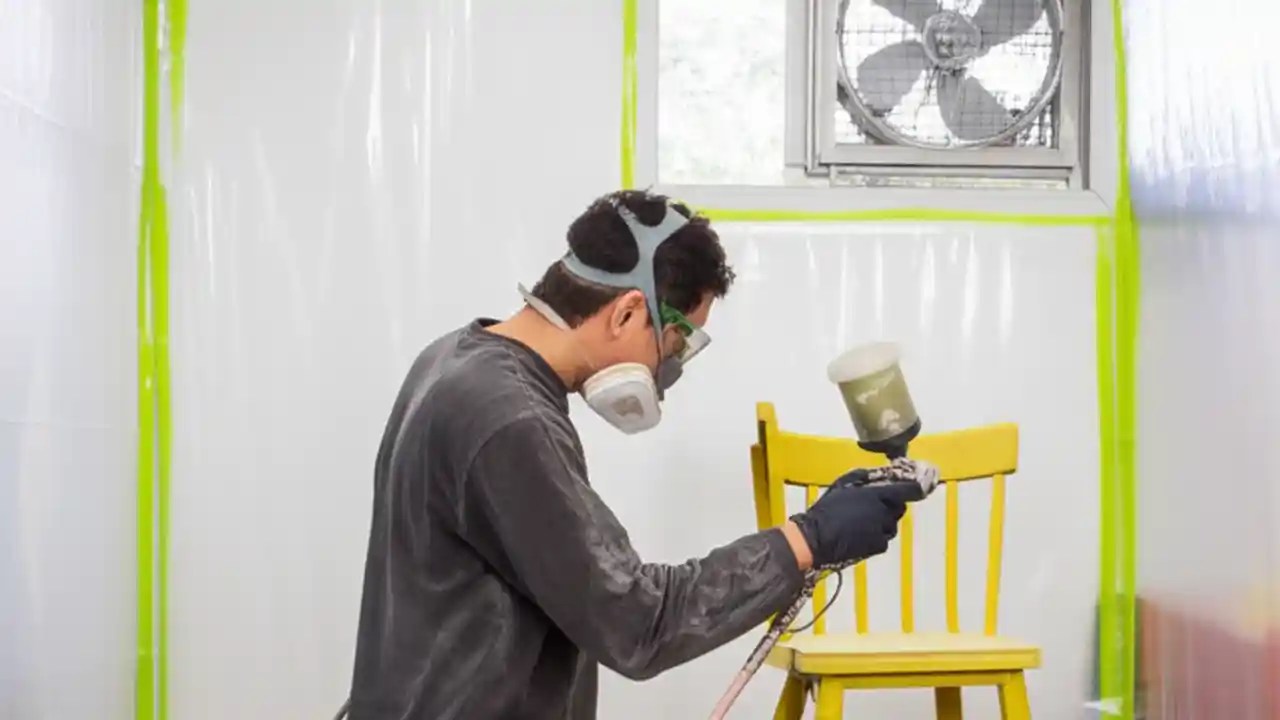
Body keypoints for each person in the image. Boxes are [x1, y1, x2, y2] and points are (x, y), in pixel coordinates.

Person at [345, 190, 927, 719]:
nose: (667, 371)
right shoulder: (510, 418)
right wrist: (810, 539)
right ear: (626, 312)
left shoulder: (454, 359)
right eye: (675, 340)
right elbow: (637, 621)